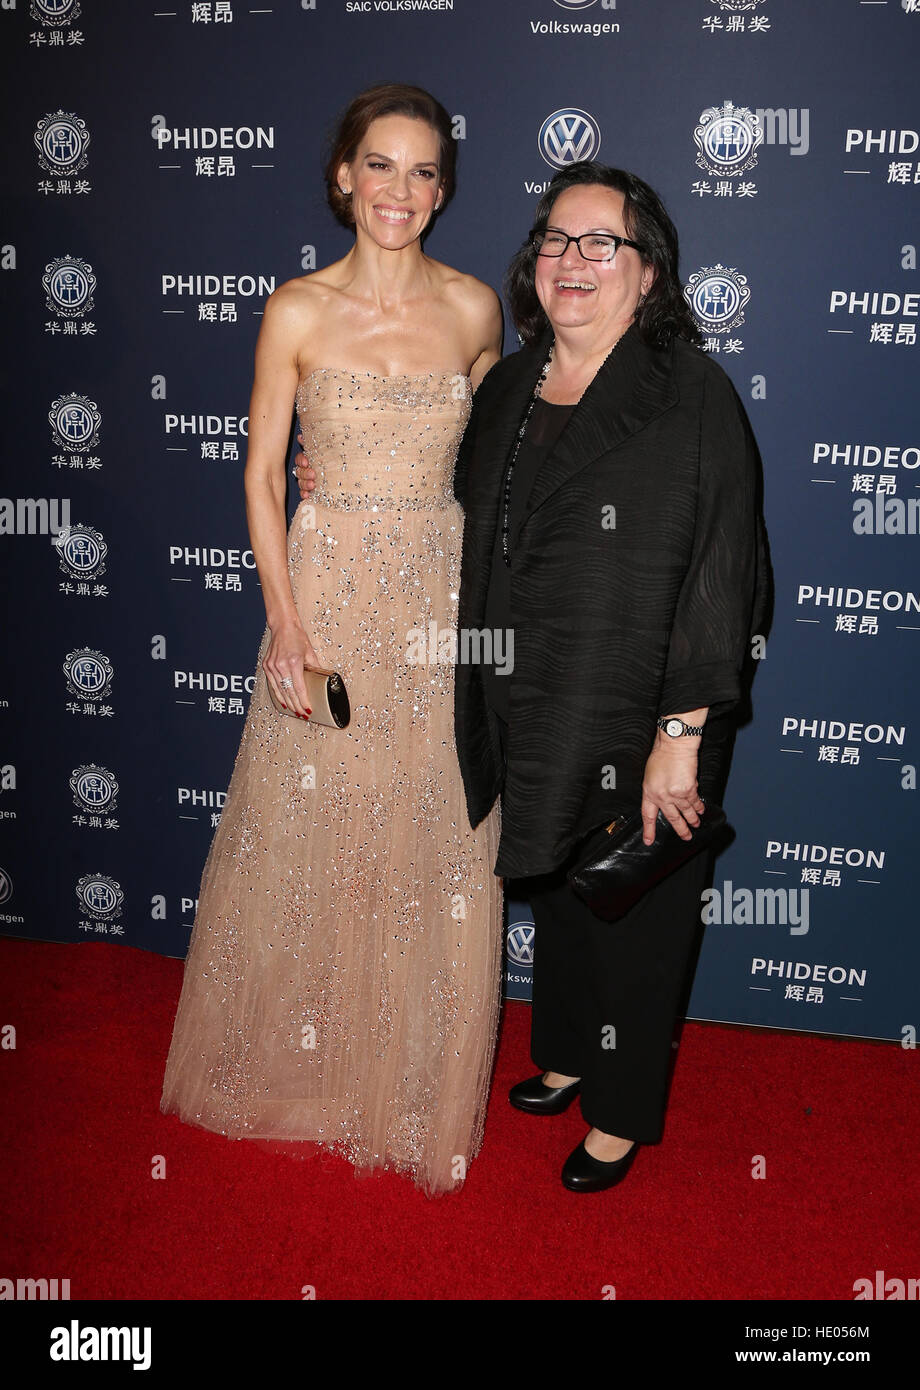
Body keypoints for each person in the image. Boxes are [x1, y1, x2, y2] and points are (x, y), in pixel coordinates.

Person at [160, 82, 504, 1197]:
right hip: (328, 591)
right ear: (342, 176)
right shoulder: (295, 308)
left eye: (419, 171)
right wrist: (285, 617)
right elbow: (262, 472)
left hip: (439, 596)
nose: (397, 189)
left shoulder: (473, 309)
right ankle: (309, 1070)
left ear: (441, 190)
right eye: (378, 165)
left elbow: (499, 466)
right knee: (312, 829)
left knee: (429, 832)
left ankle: (408, 1077)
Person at [451, 161, 770, 1192]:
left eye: (601, 243)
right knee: (558, 886)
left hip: (645, 708)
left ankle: (620, 1109)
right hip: (533, 694)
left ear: (647, 274)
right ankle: (570, 1049)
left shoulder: (688, 393)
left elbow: (726, 567)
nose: (571, 260)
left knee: (635, 909)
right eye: (554, 239)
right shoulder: (509, 383)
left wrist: (679, 732)